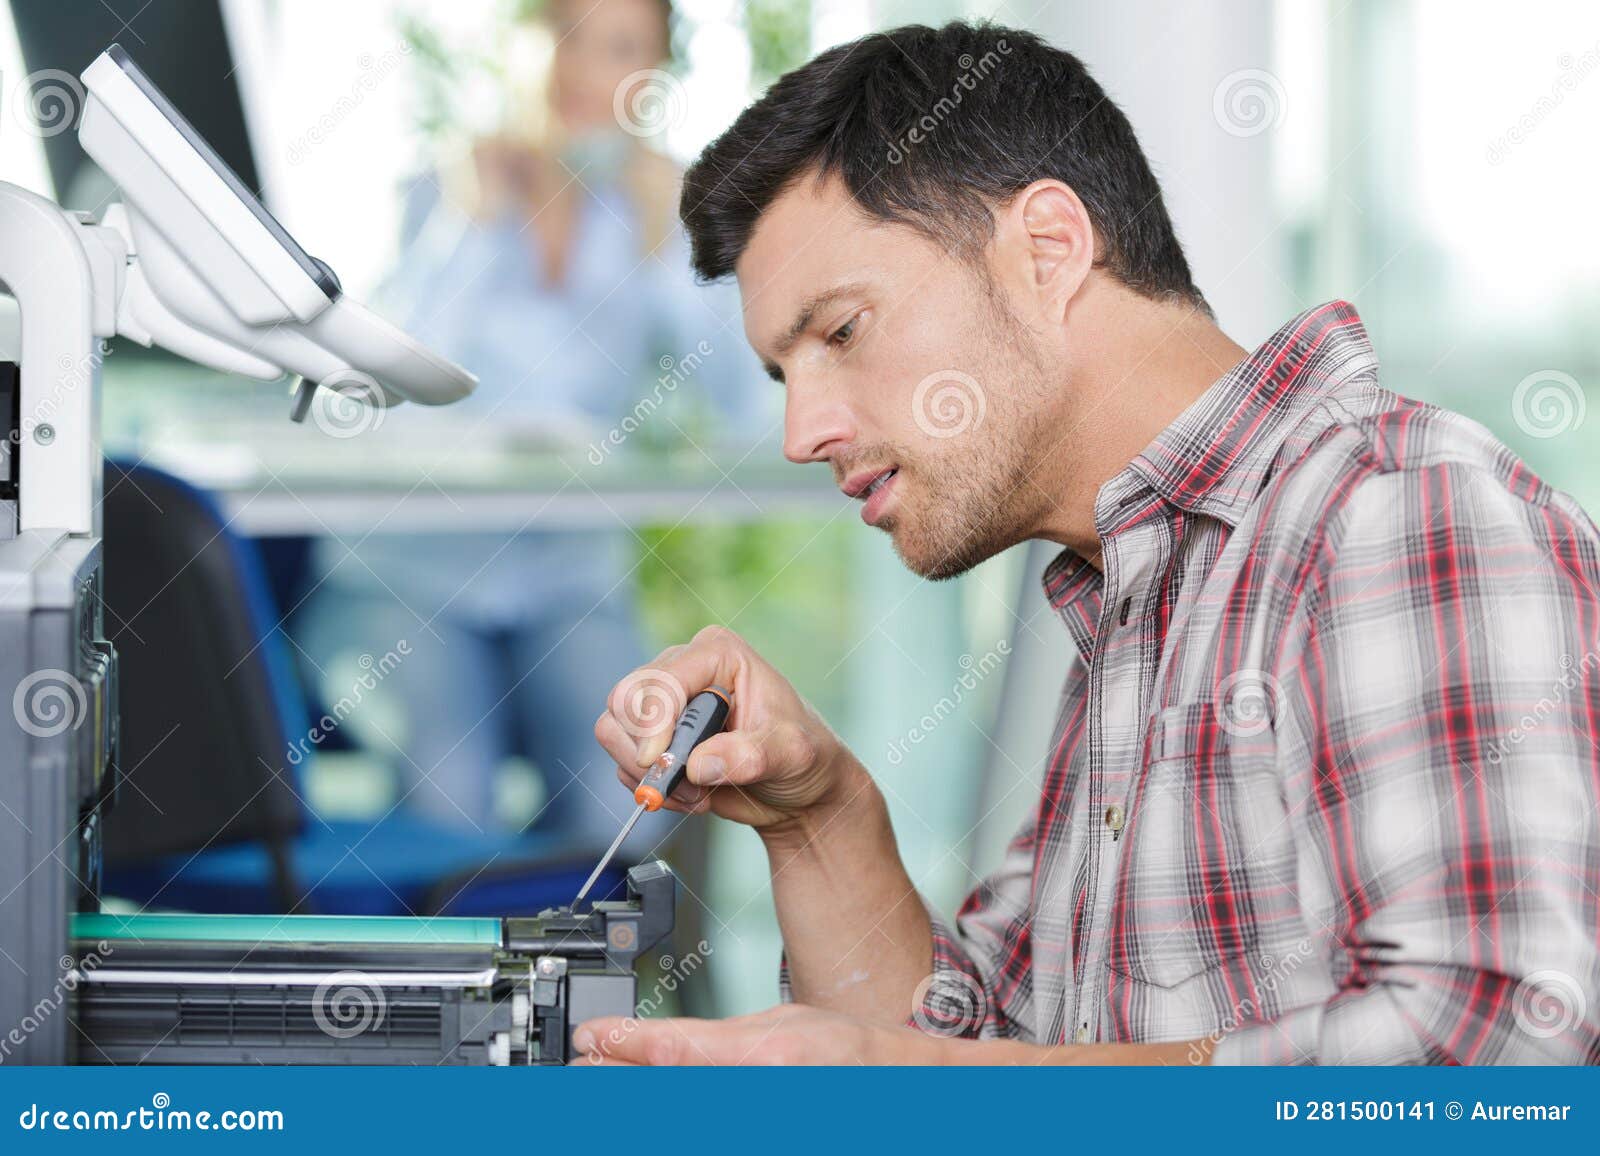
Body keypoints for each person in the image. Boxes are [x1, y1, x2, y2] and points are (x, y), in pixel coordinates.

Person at [574, 22, 1600, 1064]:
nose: (803, 434)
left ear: (1046, 250)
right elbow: (983, 1043)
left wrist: (938, 1079)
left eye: (840, 333)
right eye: (782, 377)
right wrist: (817, 813)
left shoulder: (1397, 515)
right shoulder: (1133, 594)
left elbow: (1503, 1056)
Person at [299, 0, 762, 854]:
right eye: (563, 35)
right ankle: (453, 982)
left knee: (627, 801)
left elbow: (745, 401)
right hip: (410, 572)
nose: (581, 70)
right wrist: (469, 227)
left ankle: (563, 976)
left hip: (566, 576)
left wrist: (673, 248)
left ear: (654, 79)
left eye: (619, 47)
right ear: (521, 47)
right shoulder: (436, 192)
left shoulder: (659, 209)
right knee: (454, 796)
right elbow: (379, 378)